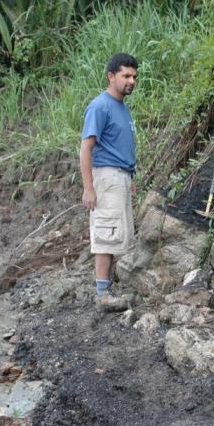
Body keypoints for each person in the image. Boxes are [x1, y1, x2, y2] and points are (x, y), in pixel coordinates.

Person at [80, 53, 138, 304]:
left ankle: (108, 288)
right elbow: (86, 147)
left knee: (116, 234)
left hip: (120, 177)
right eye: (126, 76)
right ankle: (103, 295)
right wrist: (88, 188)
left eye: (134, 76)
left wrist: (128, 179)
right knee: (106, 234)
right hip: (105, 177)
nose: (131, 81)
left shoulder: (121, 107)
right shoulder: (100, 106)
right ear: (111, 76)